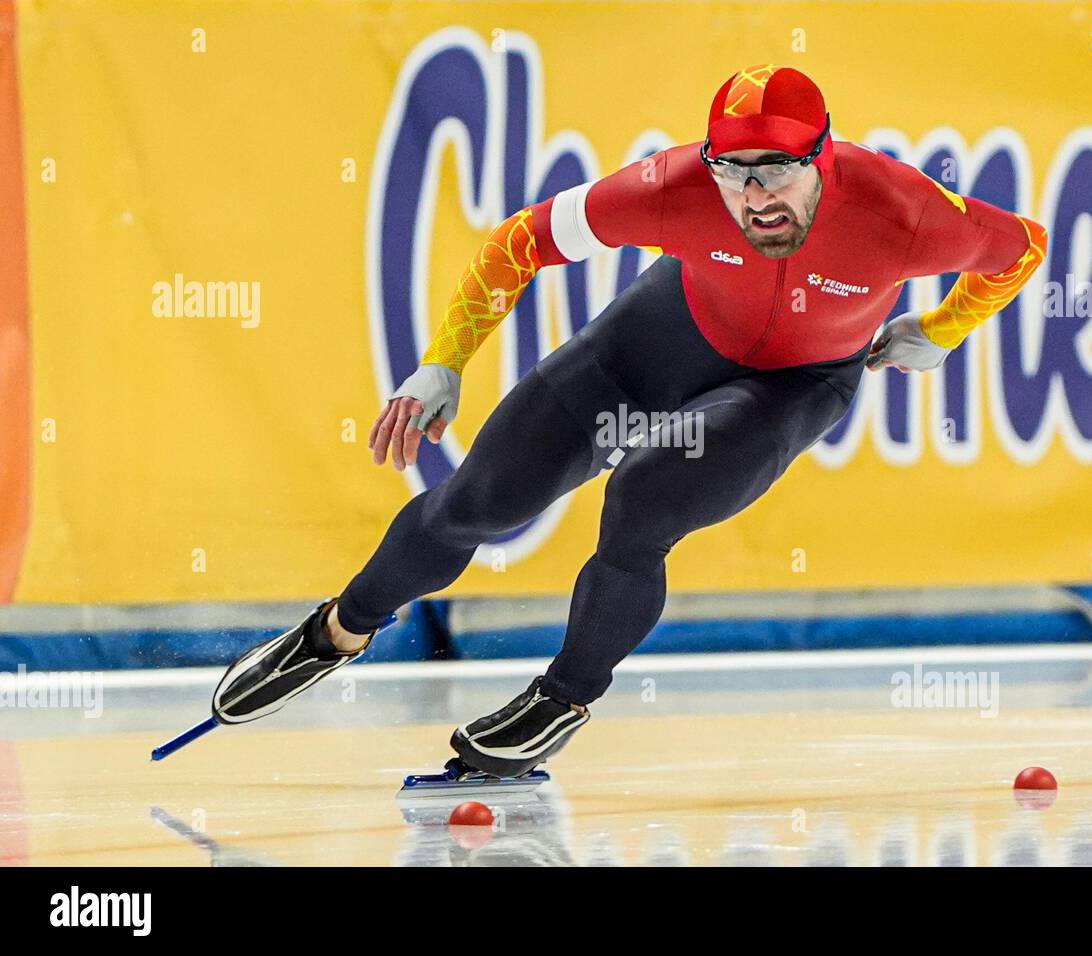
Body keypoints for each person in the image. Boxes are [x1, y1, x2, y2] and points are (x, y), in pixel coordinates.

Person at [212, 64, 1047, 777]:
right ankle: (335, 632)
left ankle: (565, 695)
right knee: (481, 501)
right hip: (654, 347)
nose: (755, 197)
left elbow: (1023, 247)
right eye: (734, 171)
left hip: (791, 387)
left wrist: (940, 333)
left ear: (824, 157)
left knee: (644, 498)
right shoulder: (674, 187)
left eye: (779, 172)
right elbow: (520, 241)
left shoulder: (903, 211)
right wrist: (444, 361)